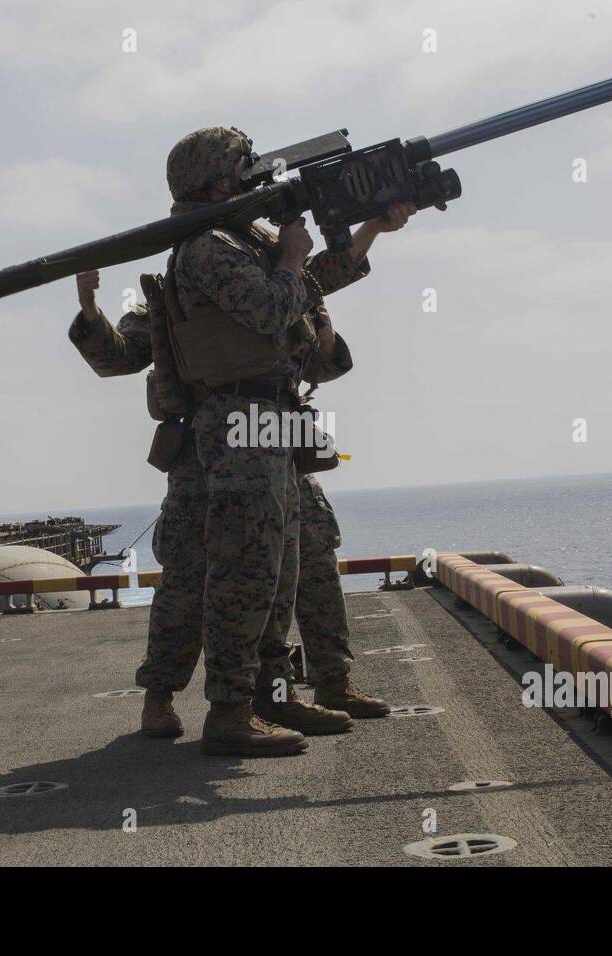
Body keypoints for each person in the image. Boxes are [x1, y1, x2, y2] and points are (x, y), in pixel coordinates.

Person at [90, 125, 408, 756]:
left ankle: (277, 695)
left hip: (272, 418)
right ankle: (230, 711)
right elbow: (270, 306)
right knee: (244, 568)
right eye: (243, 164)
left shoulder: (241, 239)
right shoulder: (208, 247)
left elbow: (307, 287)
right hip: (239, 423)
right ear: (216, 180)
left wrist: (370, 229)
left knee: (286, 563)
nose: (258, 171)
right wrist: (292, 256)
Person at [69, 278, 399, 738]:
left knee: (312, 552)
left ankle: (323, 683)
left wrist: (324, 337)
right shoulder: (174, 299)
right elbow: (117, 356)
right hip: (204, 455)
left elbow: (317, 367)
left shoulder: (272, 291)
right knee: (188, 570)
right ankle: (159, 697)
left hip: (275, 442)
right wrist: (89, 307)